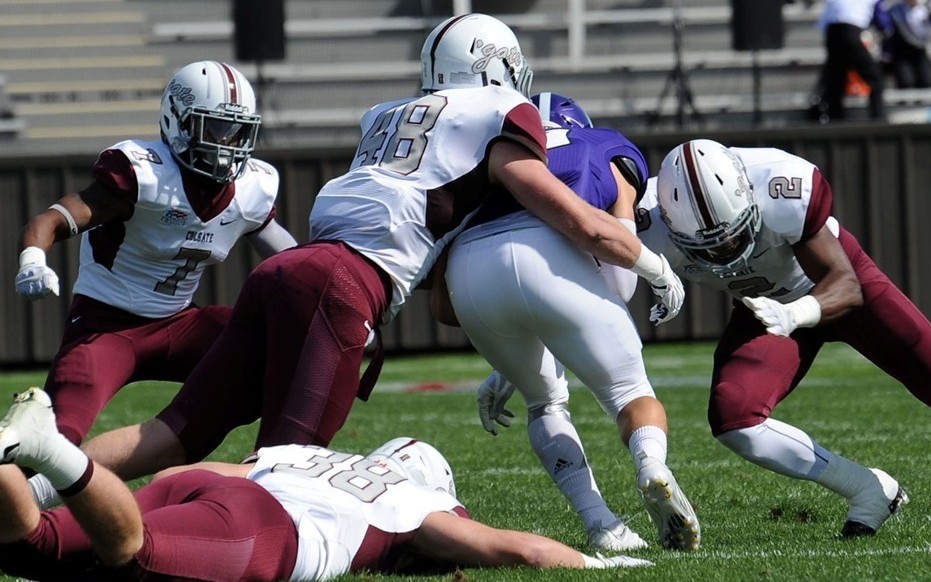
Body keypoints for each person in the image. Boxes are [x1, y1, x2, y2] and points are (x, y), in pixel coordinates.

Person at [41, 14, 682, 490]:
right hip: (343, 287)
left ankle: (36, 483)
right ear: (498, 69)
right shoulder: (502, 111)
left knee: (178, 430)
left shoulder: (385, 116)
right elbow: (576, 219)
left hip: (287, 271)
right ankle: (141, 526)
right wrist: (650, 263)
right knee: (288, 469)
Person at [0, 387, 653, 580]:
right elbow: (526, 551)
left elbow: (187, 474)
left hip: (210, 488)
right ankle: (51, 450)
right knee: (133, 557)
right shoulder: (411, 501)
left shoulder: (311, 458)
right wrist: (603, 567)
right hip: (263, 528)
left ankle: (7, 456)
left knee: (26, 548)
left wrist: (161, 504)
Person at [441, 92, 699, 552]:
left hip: (468, 273)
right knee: (629, 394)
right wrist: (656, 273)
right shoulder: (602, 145)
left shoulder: (477, 152)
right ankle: (651, 466)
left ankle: (601, 523)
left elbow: (444, 308)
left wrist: (508, 362)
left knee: (544, 404)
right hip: (550, 259)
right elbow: (619, 283)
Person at [636, 138, 929, 537]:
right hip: (764, 309)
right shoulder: (644, 225)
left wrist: (794, 314)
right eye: (708, 246)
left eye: (734, 236)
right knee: (735, 416)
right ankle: (868, 489)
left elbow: (845, 284)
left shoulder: (778, 183)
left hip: (832, 288)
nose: (724, 249)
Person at [13, 60, 297, 452]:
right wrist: (32, 260)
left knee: (280, 357)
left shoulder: (252, 188)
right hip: (105, 326)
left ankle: (263, 466)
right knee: (53, 442)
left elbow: (297, 262)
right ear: (178, 121)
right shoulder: (142, 173)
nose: (227, 143)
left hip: (180, 324)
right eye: (215, 128)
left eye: (236, 132)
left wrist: (331, 300)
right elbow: (50, 221)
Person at [816, 0, 892, 120]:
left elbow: (823, 23)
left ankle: (835, 118)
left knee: (836, 78)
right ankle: (878, 116)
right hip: (851, 31)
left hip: (832, 33)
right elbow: (882, 22)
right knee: (875, 78)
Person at [884, 0, 931, 88]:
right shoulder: (896, 10)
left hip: (920, 49)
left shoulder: (925, 10)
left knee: (926, 80)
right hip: (902, 50)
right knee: (906, 81)